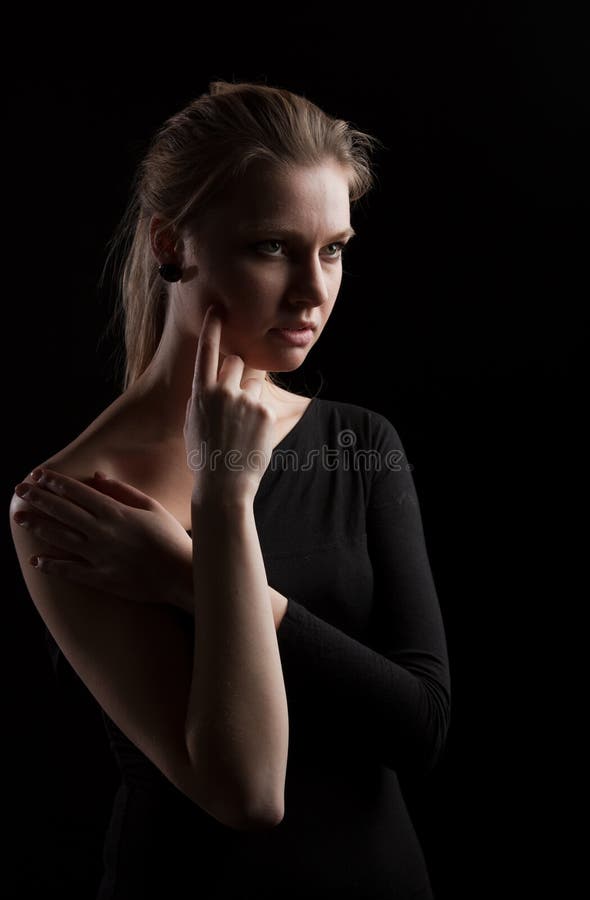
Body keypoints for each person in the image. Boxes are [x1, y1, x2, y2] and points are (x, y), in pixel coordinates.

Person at [9, 80, 451, 899]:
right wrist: (222, 498)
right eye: (272, 247)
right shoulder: (71, 498)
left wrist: (184, 575)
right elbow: (246, 792)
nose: (314, 293)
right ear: (171, 244)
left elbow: (421, 726)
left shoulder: (359, 444)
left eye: (334, 248)